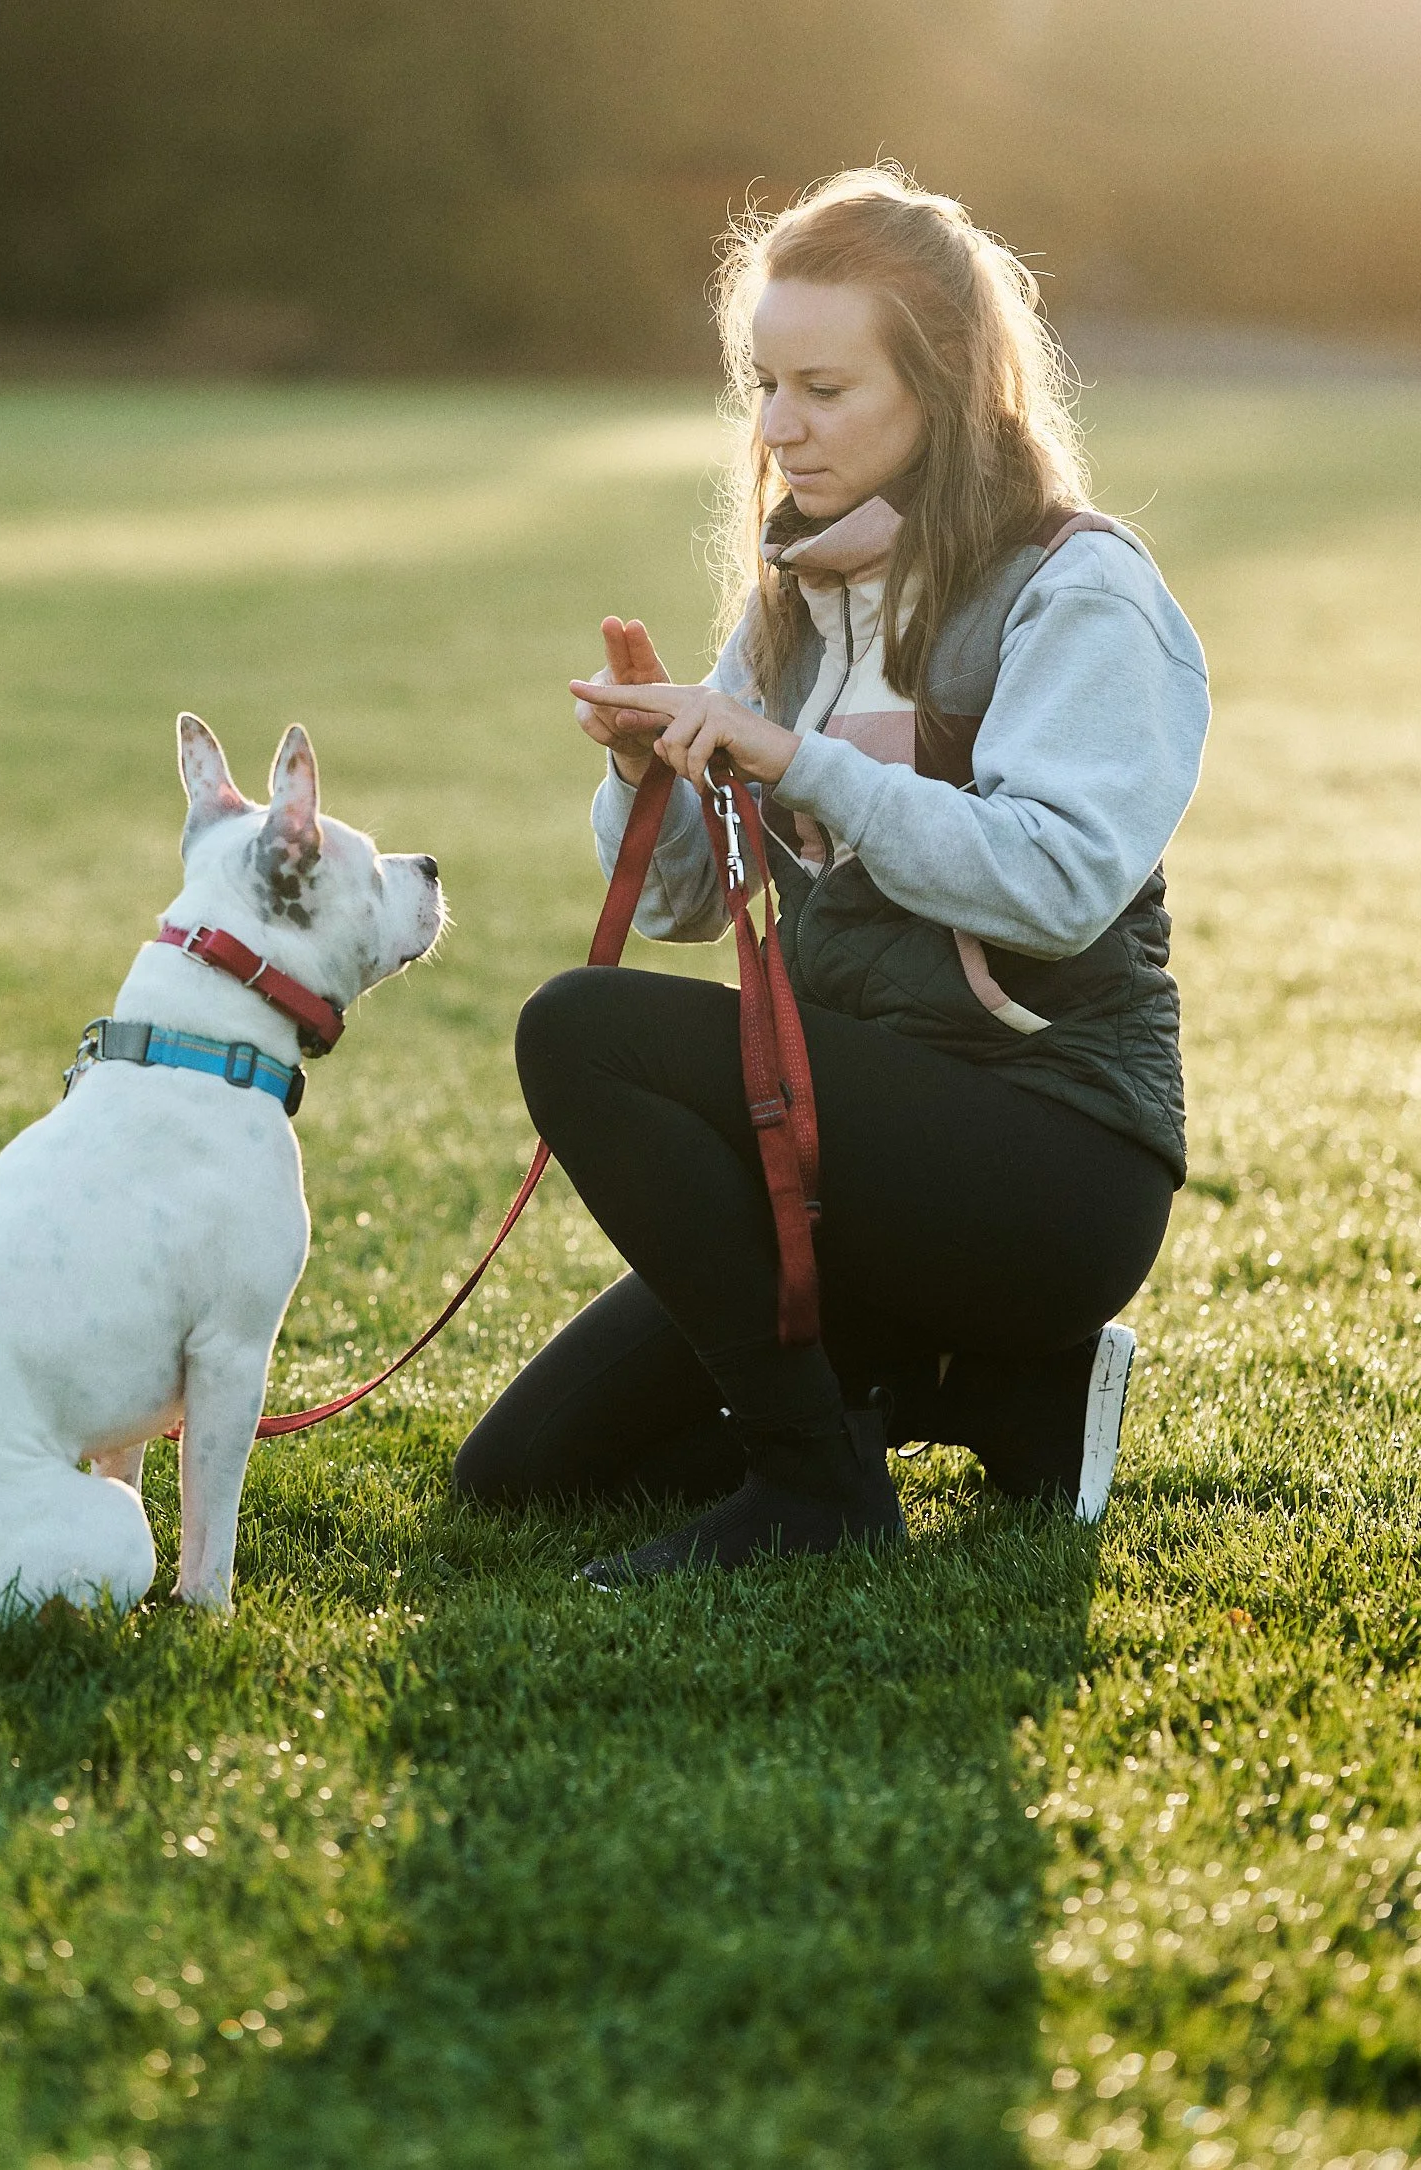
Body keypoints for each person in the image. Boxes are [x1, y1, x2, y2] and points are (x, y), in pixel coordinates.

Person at [452, 168, 1210, 1581]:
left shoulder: (1081, 590)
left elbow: (1058, 884)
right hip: (847, 1146)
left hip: (1050, 1159)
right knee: (523, 1475)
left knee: (578, 1029)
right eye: (764, 385)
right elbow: (680, 905)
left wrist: (799, 762)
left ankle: (818, 1486)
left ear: (946, 386)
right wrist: (647, 774)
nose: (777, 426)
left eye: (822, 387)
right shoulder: (796, 598)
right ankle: (998, 1391)